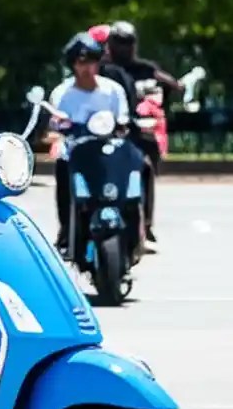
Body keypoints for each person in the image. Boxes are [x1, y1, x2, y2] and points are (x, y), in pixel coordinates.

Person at [46, 32, 132, 252]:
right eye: (81, 62)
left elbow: (123, 119)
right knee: (63, 166)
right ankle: (66, 230)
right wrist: (59, 128)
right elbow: (54, 126)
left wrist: (122, 126)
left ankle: (135, 232)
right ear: (73, 64)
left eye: (92, 61)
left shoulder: (113, 90)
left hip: (107, 151)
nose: (87, 67)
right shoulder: (62, 93)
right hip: (75, 151)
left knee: (134, 172)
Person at [104, 20, 176, 250]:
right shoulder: (100, 68)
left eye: (128, 42)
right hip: (102, 129)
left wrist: (167, 88)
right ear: (110, 44)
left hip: (132, 128)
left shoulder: (145, 69)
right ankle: (70, 230)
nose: (124, 48)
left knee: (145, 165)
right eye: (119, 42)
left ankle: (146, 224)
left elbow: (169, 85)